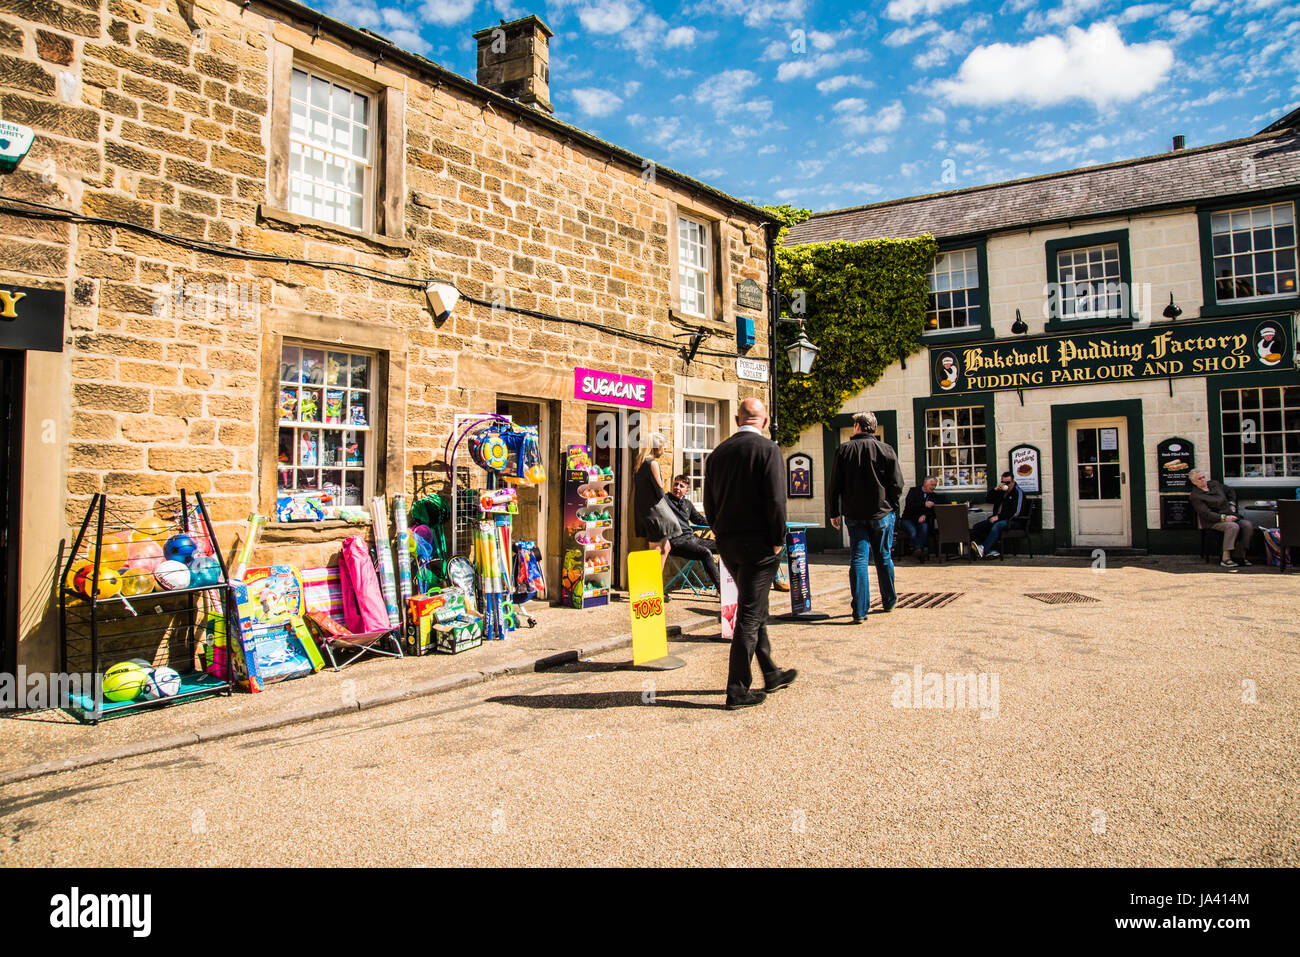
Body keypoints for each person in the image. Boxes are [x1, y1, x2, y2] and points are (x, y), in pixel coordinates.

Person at [703, 397, 797, 710]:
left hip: (729, 543)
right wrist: (777, 540)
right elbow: (775, 501)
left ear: (736, 418)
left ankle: (771, 673)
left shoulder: (718, 454)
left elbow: (709, 503)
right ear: (765, 421)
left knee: (754, 607)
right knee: (749, 615)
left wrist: (719, 530)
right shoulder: (768, 450)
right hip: (759, 544)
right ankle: (737, 690)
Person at [827, 411, 904, 623]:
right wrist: (893, 507)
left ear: (858, 427)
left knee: (859, 560)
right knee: (883, 556)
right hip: (881, 513)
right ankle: (889, 600)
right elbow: (897, 484)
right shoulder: (886, 449)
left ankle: (860, 610)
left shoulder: (844, 450)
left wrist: (834, 512)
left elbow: (835, 485)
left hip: (854, 514)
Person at [1189, 468, 1255, 568]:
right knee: (1232, 526)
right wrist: (1224, 518)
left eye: (1203, 477)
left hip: (1230, 514)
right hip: (1213, 520)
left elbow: (1230, 491)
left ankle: (1240, 556)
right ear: (1194, 482)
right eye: (1199, 479)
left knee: (1247, 525)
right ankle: (1226, 558)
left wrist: (1232, 503)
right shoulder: (1196, 496)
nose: (1203, 480)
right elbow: (1205, 513)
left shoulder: (1214, 484)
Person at [665, 474, 720, 590]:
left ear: (686, 490)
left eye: (681, 486)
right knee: (705, 553)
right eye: (676, 484)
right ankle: (722, 591)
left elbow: (699, 519)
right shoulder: (665, 501)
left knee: (724, 546)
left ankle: (732, 586)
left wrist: (717, 524)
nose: (677, 488)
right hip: (676, 541)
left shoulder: (687, 504)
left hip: (691, 539)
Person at [633, 432, 674, 568]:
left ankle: (657, 581)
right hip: (654, 513)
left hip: (645, 511)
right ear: (657, 447)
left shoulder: (640, 463)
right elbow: (660, 490)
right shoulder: (652, 463)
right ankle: (653, 585)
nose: (664, 451)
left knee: (666, 547)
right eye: (663, 447)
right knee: (656, 549)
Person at [971, 470, 1028, 559]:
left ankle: (984, 549)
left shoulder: (1017, 492)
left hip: (1013, 520)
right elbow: (988, 499)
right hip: (999, 518)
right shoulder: (1001, 492)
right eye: (1003, 482)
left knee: (997, 526)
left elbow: (1016, 512)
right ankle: (990, 550)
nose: (1006, 485)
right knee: (978, 526)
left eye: (1008, 483)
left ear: (1013, 482)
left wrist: (999, 517)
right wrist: (995, 489)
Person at [900, 475, 942, 561]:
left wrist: (925, 516)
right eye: (932, 485)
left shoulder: (933, 496)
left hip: (922, 520)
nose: (933, 487)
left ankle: (917, 550)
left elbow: (934, 511)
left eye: (935, 485)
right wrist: (924, 504)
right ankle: (921, 549)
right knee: (913, 531)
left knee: (924, 527)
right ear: (925, 484)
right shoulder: (913, 491)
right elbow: (910, 505)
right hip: (908, 518)